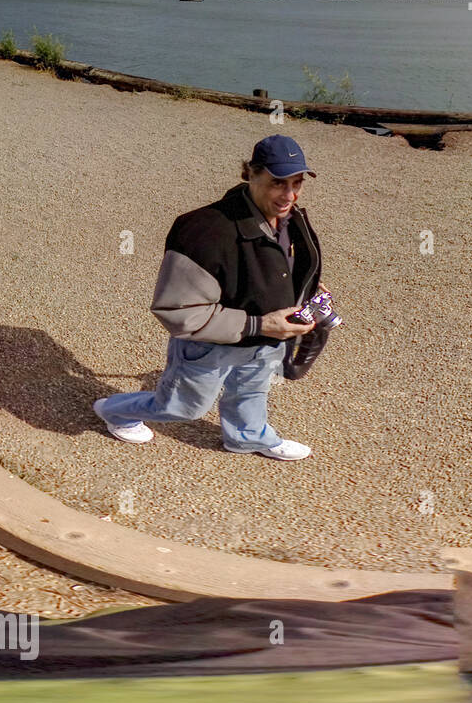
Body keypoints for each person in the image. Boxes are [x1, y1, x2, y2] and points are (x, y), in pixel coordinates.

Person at [92, 135, 325, 460]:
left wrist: (307, 286)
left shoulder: (285, 216)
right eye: (278, 183)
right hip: (211, 346)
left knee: (250, 393)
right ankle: (114, 410)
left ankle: (247, 438)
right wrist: (258, 323)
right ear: (251, 174)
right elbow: (177, 311)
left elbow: (280, 262)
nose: (289, 195)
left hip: (263, 341)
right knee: (181, 407)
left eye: (297, 183)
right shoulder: (203, 232)